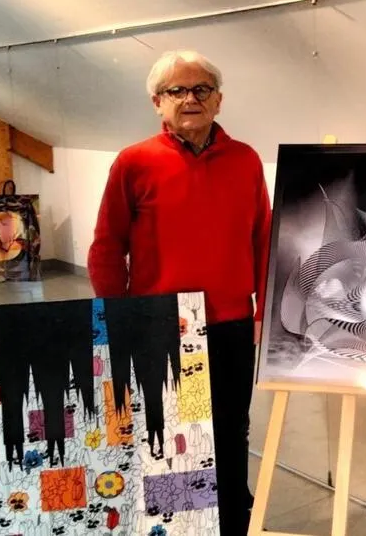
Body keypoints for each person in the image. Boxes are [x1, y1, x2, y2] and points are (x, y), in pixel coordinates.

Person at [88, 49, 271, 534]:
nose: (190, 98)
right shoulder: (134, 163)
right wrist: (116, 319)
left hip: (231, 323)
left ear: (218, 99)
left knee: (232, 429)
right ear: (157, 101)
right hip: (159, 325)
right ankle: (182, 522)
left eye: (201, 89)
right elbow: (108, 246)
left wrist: (264, 312)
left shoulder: (247, 160)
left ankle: (232, 515)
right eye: (177, 90)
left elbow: (264, 239)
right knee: (169, 433)